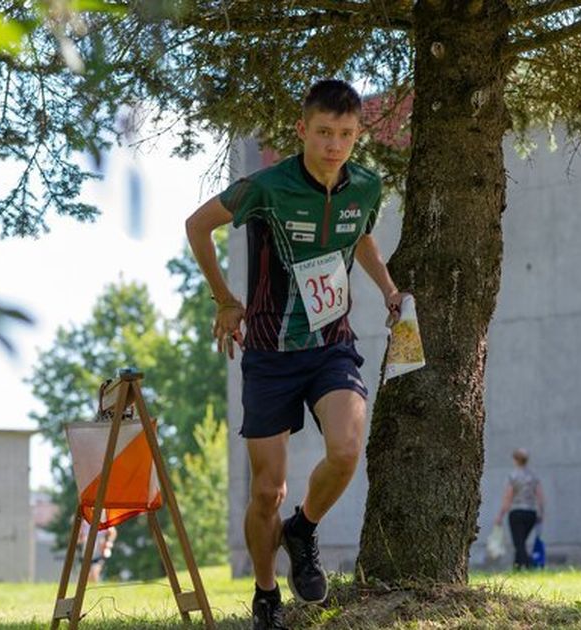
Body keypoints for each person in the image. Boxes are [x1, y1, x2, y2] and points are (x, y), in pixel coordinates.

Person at [185, 79, 406, 630]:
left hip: (331, 344)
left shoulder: (366, 187)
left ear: (359, 136)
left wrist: (388, 290)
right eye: (325, 133)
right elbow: (197, 226)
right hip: (268, 350)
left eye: (347, 135)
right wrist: (224, 300)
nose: (335, 146)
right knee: (266, 490)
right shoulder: (267, 186)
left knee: (347, 449)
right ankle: (265, 594)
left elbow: (359, 237)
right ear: (302, 130)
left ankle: (303, 529)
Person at [492, 448, 545, 570]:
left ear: (515, 460)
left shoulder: (513, 476)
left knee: (518, 542)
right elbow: (540, 496)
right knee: (521, 541)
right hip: (531, 513)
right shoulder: (533, 476)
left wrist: (500, 515)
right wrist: (541, 513)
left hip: (516, 512)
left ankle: (529, 565)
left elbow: (508, 497)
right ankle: (517, 567)